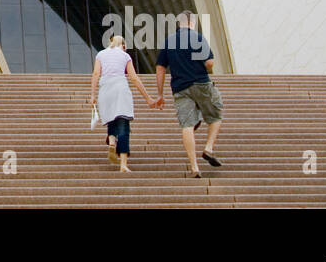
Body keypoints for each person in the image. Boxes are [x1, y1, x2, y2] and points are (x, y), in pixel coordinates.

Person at [155, 11, 225, 178]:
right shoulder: (198, 38)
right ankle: (208, 148)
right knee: (216, 115)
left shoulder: (169, 41)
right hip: (201, 83)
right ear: (192, 23)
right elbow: (209, 62)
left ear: (179, 24)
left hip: (180, 88)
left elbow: (160, 68)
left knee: (187, 125)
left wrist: (160, 93)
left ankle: (194, 167)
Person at [89, 35, 161, 173]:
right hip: (120, 89)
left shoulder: (101, 54)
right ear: (123, 45)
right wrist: (147, 98)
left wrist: (92, 94)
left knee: (111, 118)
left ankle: (111, 141)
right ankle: (123, 164)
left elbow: (96, 73)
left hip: (105, 89)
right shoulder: (124, 56)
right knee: (123, 124)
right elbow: (133, 78)